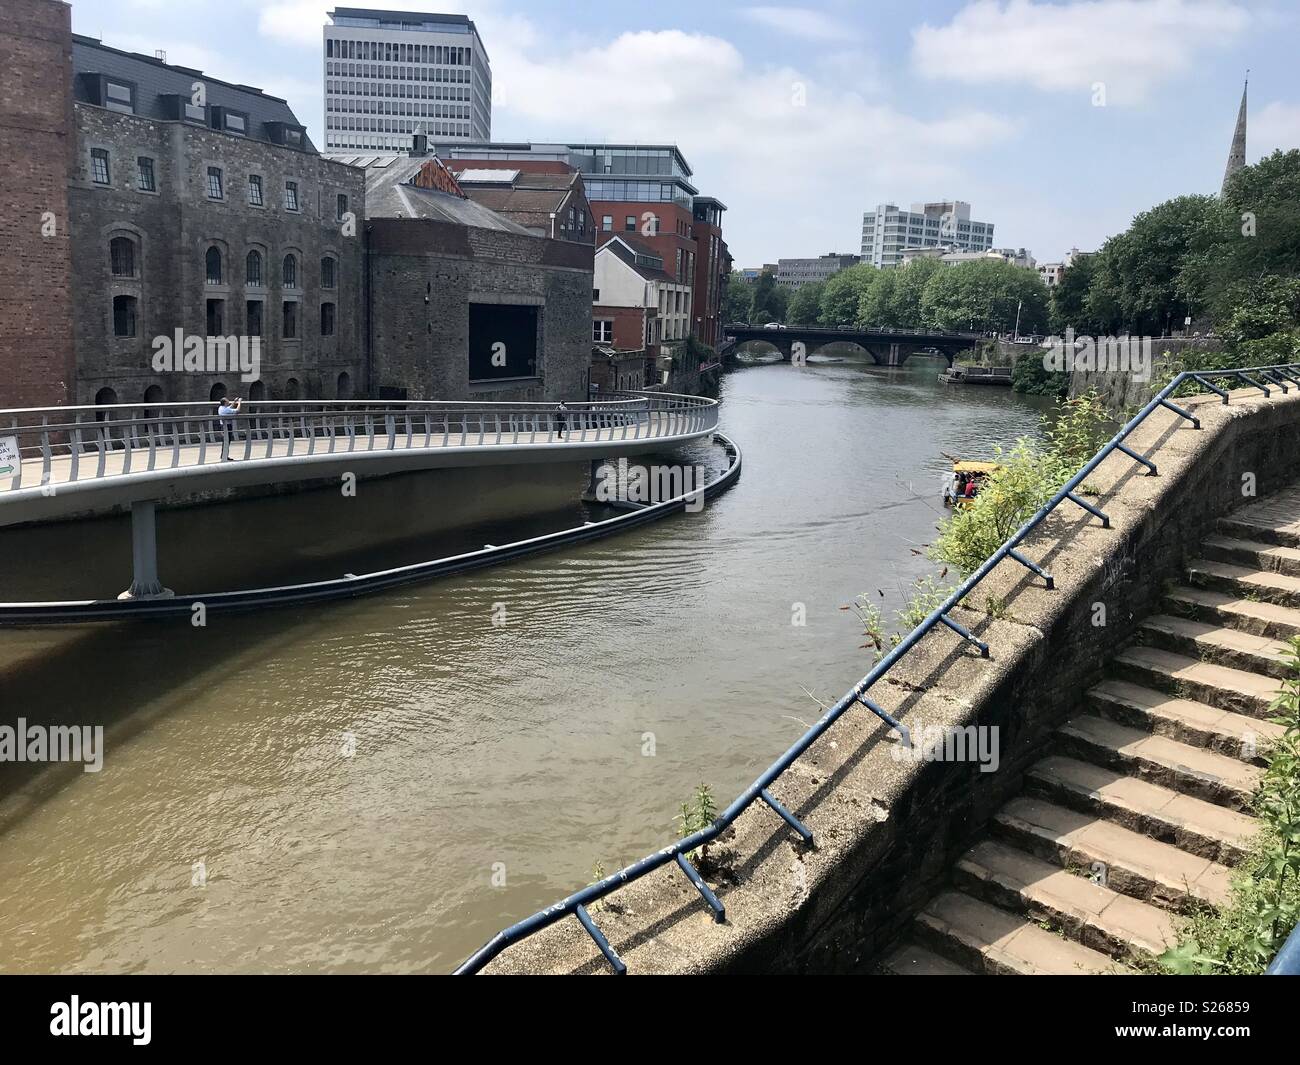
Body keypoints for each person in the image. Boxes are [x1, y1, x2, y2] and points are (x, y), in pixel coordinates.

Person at [217, 396, 242, 461]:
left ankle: (224, 455)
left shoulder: (221, 408)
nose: (228, 401)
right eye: (227, 400)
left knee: (225, 441)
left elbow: (229, 408)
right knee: (227, 441)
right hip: (227, 426)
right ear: (225, 402)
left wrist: (234, 401)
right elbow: (237, 411)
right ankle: (224, 456)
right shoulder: (226, 410)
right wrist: (239, 402)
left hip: (222, 426)